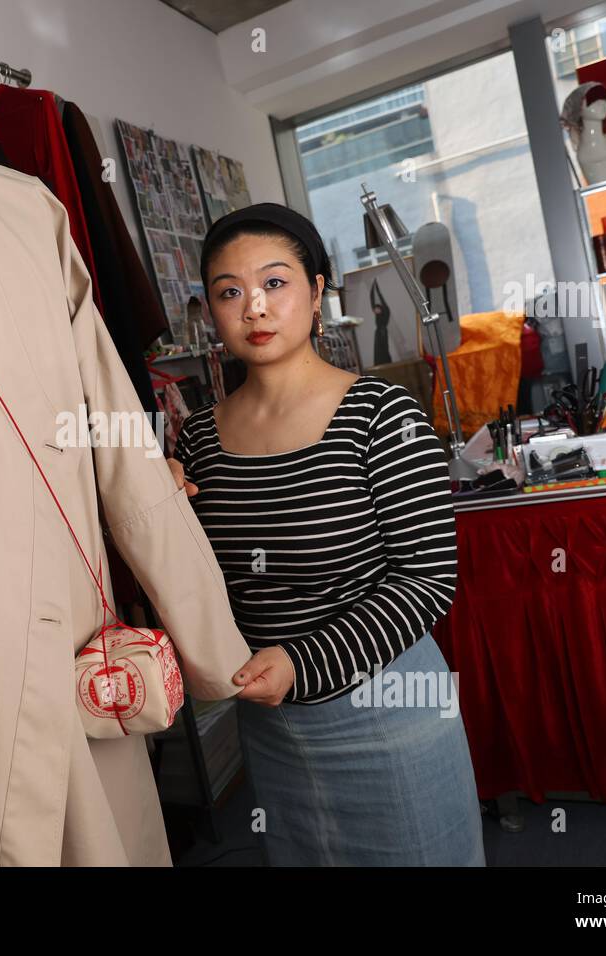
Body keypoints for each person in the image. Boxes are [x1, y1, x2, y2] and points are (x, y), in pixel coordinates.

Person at [170, 203, 485, 866]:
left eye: (275, 283)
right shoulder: (197, 438)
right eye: (230, 291)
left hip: (387, 714)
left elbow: (427, 582)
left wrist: (302, 662)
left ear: (317, 291)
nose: (254, 307)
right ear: (211, 310)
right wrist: (158, 503)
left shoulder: (380, 413)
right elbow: (201, 583)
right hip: (274, 725)